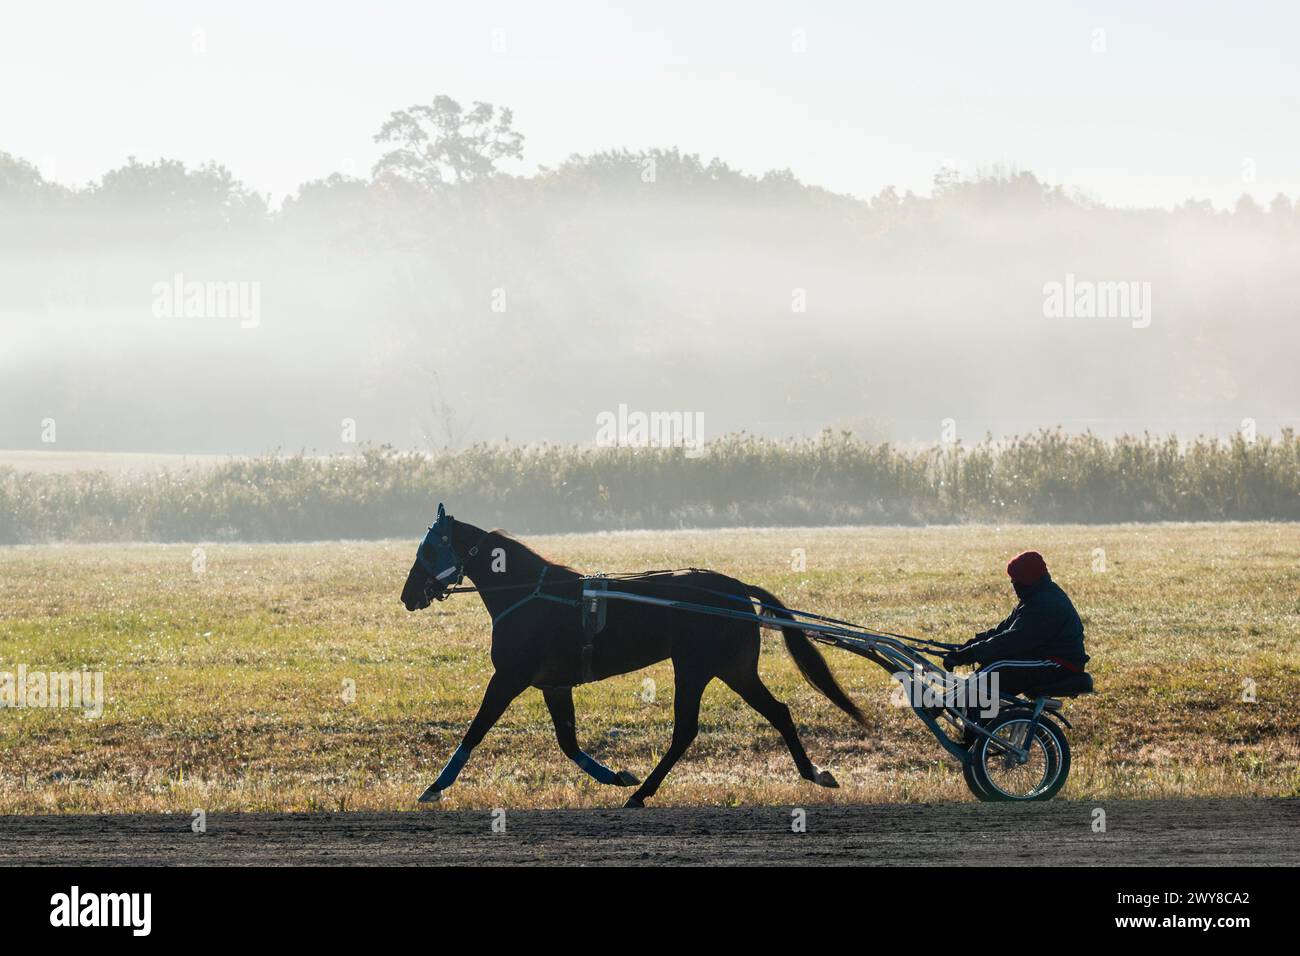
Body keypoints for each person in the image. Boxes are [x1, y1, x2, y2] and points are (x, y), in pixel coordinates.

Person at [943, 551, 1089, 699]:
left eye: (1015, 579)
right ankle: (967, 709)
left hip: (1060, 664)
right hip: (1045, 657)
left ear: (1028, 578)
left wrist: (970, 654)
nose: (1013, 583)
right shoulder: (1034, 597)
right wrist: (969, 646)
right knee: (993, 667)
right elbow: (1003, 630)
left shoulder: (1046, 603)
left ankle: (946, 704)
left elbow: (1013, 640)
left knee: (997, 667)